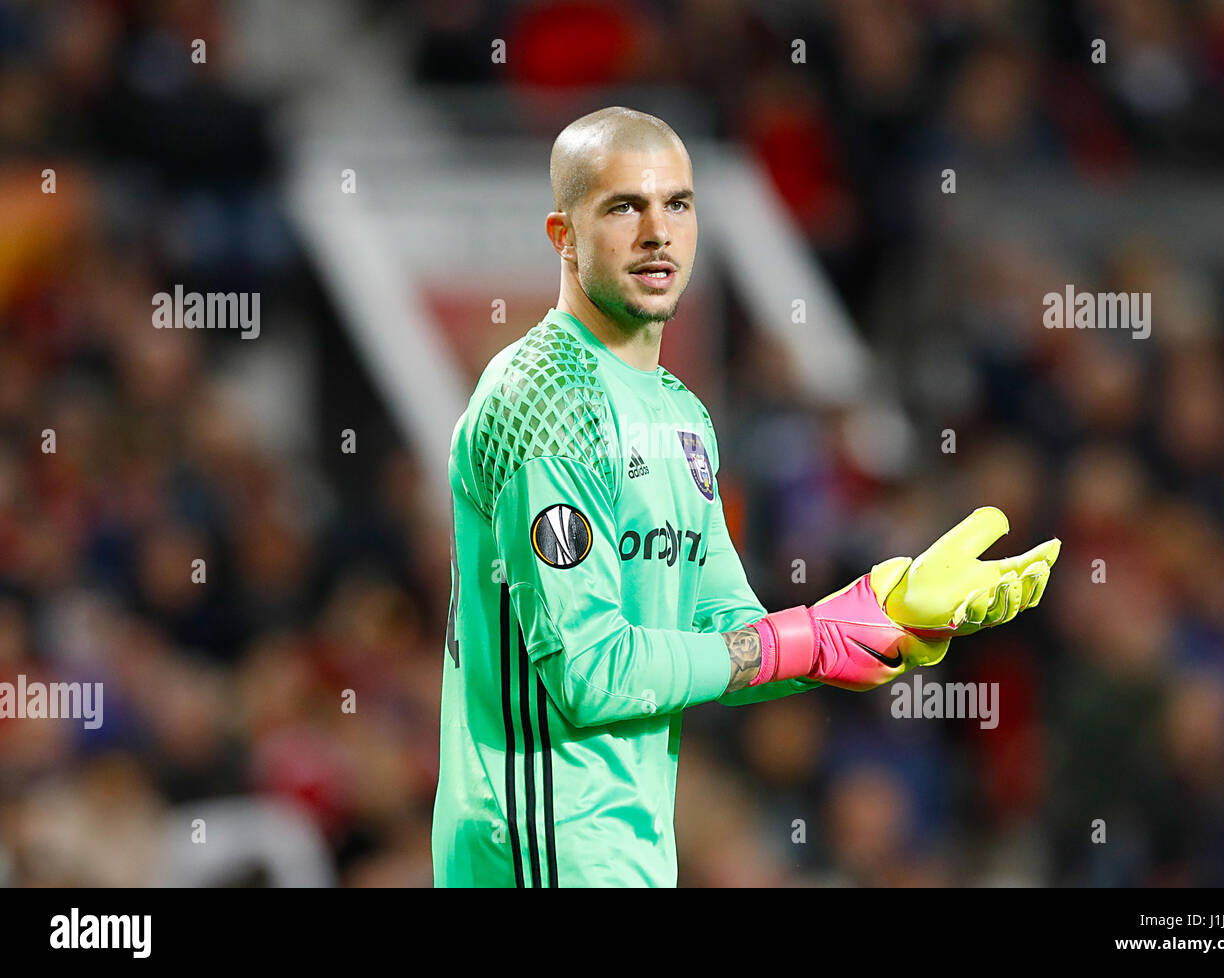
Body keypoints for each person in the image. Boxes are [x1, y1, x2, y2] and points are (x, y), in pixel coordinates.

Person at [431, 106, 1060, 887]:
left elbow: (732, 633)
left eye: (678, 204)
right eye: (625, 206)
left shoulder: (681, 415)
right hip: (531, 837)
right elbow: (593, 672)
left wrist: (881, 617)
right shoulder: (544, 394)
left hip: (625, 842)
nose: (658, 232)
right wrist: (804, 639)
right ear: (563, 235)